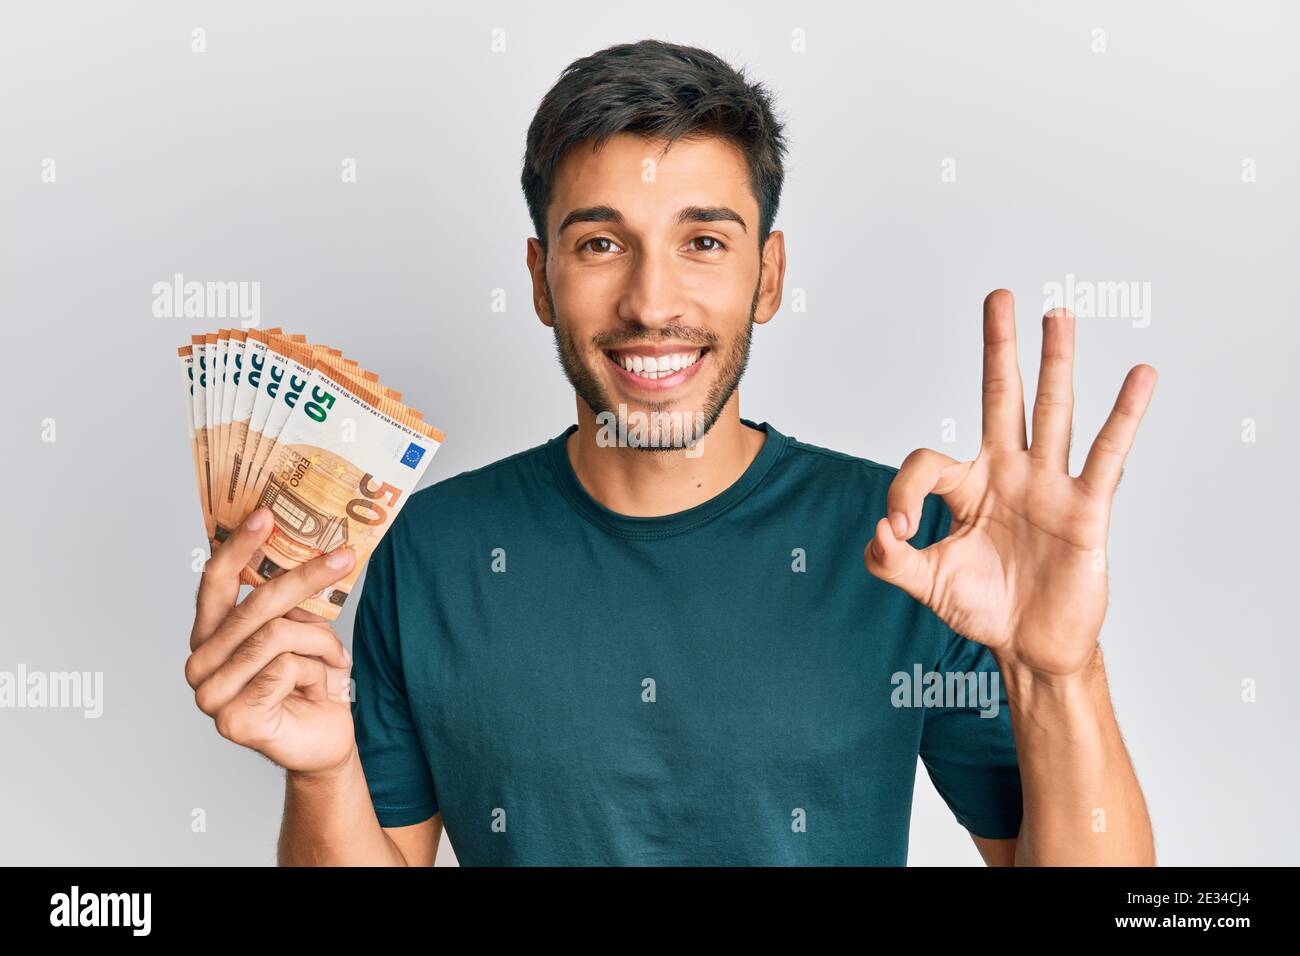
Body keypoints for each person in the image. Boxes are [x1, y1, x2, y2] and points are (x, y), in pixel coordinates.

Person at [184, 39, 1157, 866]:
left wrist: (1060, 673)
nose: (652, 301)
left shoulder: (912, 548)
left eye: (702, 241)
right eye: (601, 243)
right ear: (540, 275)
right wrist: (321, 771)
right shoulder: (430, 550)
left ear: (767, 274)